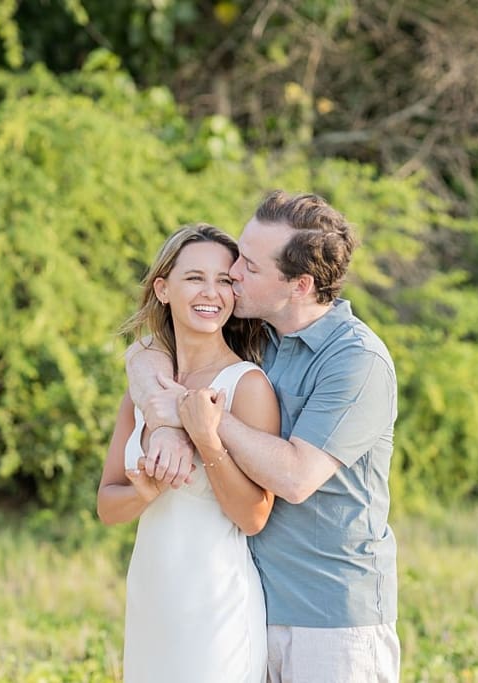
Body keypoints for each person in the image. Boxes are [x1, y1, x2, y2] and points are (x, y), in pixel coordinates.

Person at [126, 191, 401, 683]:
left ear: (299, 285)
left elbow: (296, 477)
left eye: (249, 267)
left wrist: (206, 418)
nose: (234, 274)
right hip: (250, 605)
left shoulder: (356, 362)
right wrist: (164, 417)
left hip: (330, 615)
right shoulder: (259, 333)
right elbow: (149, 346)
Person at [96, 224, 280, 683]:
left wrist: (207, 441)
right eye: (195, 278)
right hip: (152, 594)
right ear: (163, 288)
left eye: (224, 281)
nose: (211, 293)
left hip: (217, 603)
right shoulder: (145, 388)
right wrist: (147, 491)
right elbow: (108, 506)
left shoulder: (247, 385)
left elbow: (255, 516)